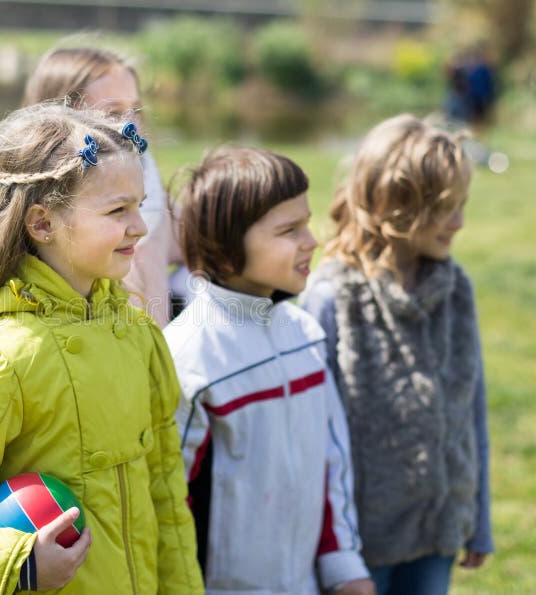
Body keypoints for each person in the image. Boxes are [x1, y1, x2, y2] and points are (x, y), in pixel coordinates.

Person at [0, 104, 204, 594]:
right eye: (118, 210)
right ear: (42, 223)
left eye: (141, 205)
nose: (140, 226)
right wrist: (19, 563)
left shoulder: (138, 336)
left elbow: (165, 492)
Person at [164, 146, 375, 595]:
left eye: (307, 221)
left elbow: (331, 463)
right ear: (226, 245)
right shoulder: (189, 359)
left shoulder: (306, 335)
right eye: (289, 230)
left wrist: (344, 567)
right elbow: (166, 502)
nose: (311, 241)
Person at [298, 114, 494, 595]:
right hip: (362, 544)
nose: (460, 223)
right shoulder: (331, 297)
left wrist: (478, 517)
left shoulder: (455, 288)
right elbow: (313, 435)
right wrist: (331, 549)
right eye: (446, 208)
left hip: (438, 533)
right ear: (398, 204)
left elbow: (473, 410)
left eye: (461, 206)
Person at [22, 45, 185, 326]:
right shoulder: (50, 209)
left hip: (155, 349)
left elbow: (202, 243)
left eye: (135, 109)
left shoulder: (148, 179)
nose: (130, 124)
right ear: (59, 120)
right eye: (113, 113)